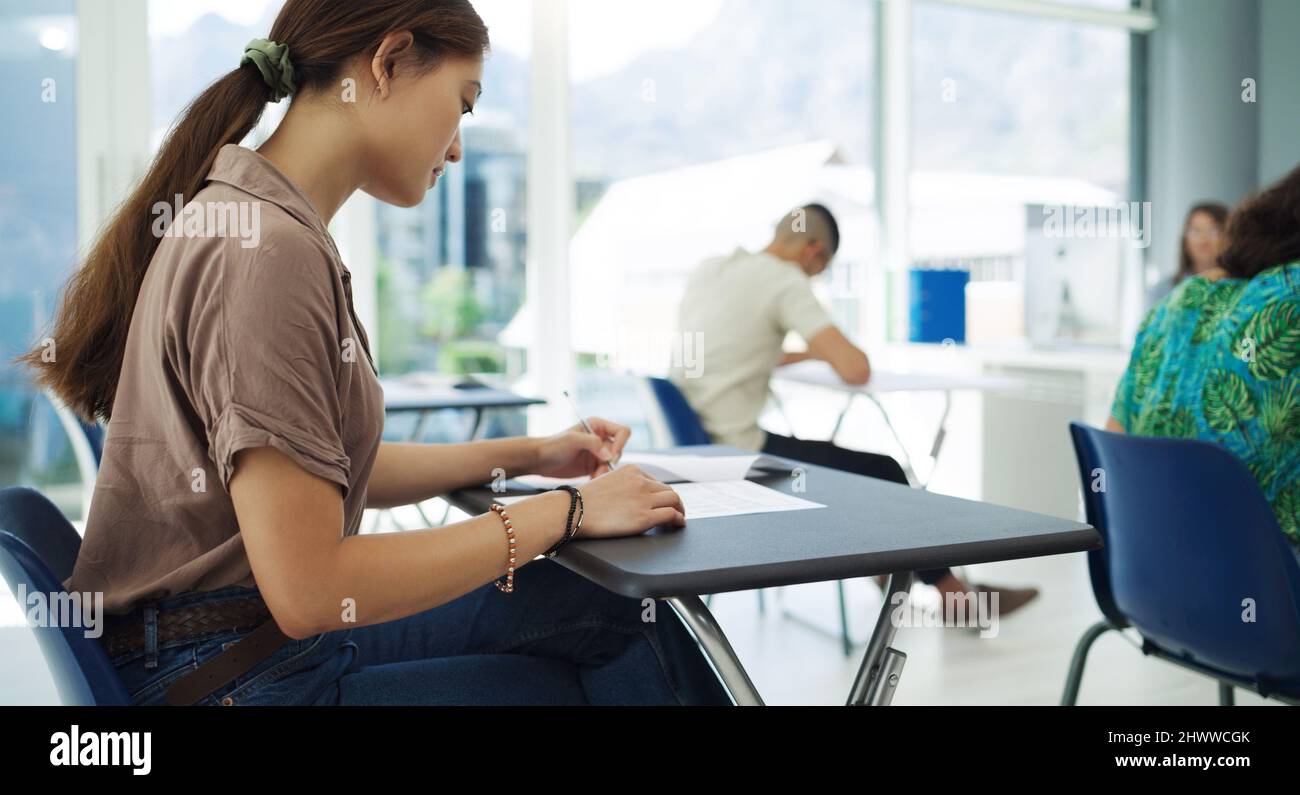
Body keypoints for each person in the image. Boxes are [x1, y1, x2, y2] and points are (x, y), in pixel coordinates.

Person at [20, 0, 731, 706]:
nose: (456, 147)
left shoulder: (253, 219)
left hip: (222, 647)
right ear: (387, 64)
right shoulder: (268, 253)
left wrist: (533, 453)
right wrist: (569, 512)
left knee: (600, 609)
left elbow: (317, 476)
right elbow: (312, 587)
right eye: (464, 103)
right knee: (612, 628)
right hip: (236, 671)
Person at [668, 204, 1039, 618]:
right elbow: (856, 368)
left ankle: (891, 572)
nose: (814, 278)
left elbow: (736, 350)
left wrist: (801, 351)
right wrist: (827, 348)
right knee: (885, 471)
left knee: (838, 457)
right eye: (819, 270)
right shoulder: (784, 280)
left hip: (694, 451)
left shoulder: (713, 268)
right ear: (815, 252)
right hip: (738, 459)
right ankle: (956, 600)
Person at [1110, 166, 1300, 562]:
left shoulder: (1178, 300)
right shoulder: (1290, 295)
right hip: (1260, 584)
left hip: (1147, 571)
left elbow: (1115, 434)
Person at [1146, 202, 1229, 309]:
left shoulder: (1240, 287)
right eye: (1195, 231)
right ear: (1185, 239)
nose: (1203, 239)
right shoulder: (1164, 290)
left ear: (1228, 236)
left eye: (1214, 231)